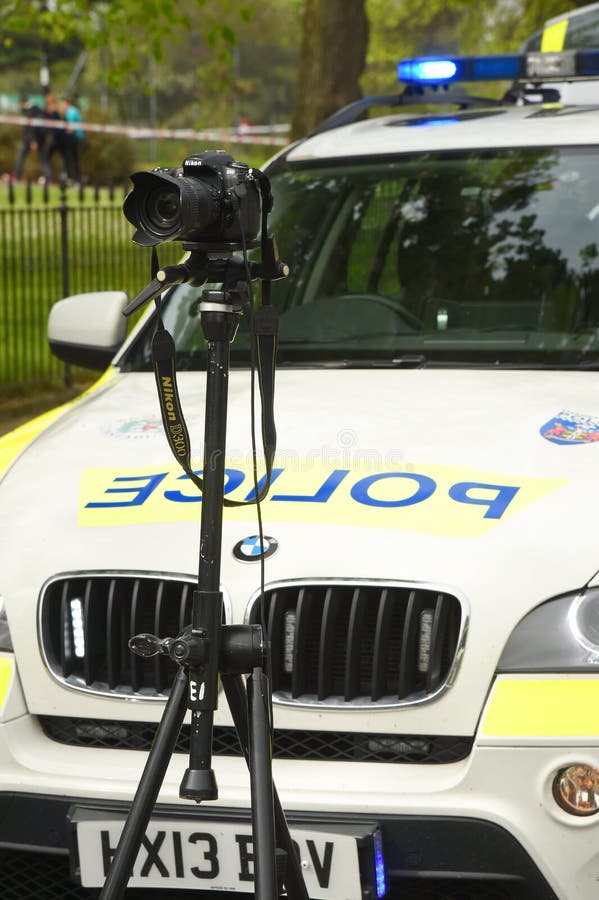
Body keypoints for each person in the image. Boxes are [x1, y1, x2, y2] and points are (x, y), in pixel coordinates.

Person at [13, 94, 52, 182]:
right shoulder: (37, 109)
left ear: (23, 103)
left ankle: (16, 176)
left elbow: (32, 127)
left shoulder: (31, 111)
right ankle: (49, 178)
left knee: (21, 156)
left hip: (32, 139)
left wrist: (33, 140)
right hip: (39, 139)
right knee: (44, 159)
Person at [60, 95, 85, 184]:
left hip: (74, 138)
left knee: (70, 158)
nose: (61, 106)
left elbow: (70, 128)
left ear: (67, 103)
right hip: (77, 138)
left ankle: (71, 178)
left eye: (62, 104)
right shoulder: (74, 110)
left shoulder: (71, 112)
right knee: (74, 159)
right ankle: (77, 178)